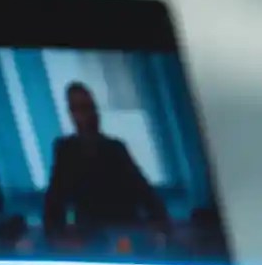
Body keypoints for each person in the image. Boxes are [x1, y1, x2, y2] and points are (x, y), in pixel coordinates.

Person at [42, 82, 169, 245]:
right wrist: (54, 236)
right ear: (71, 114)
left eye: (89, 107)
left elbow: (144, 191)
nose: (87, 115)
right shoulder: (65, 150)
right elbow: (55, 196)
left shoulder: (114, 148)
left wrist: (159, 223)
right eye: (79, 109)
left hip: (123, 231)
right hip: (89, 236)